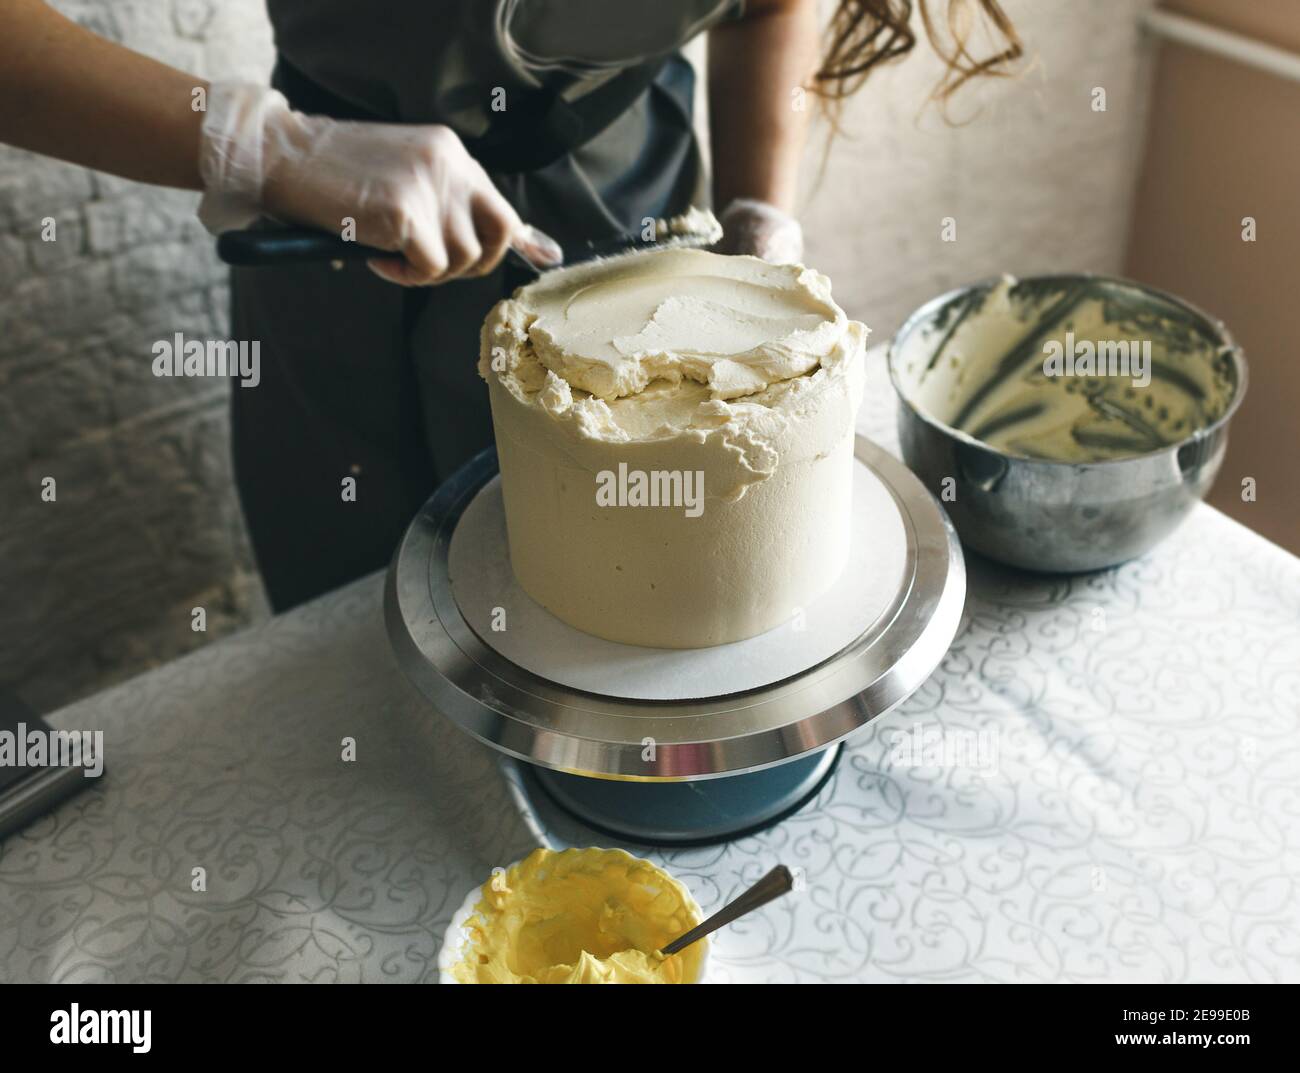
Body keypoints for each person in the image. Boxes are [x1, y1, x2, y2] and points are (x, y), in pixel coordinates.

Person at [1, 0, 1020, 611]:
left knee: (633, 616)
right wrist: (271, 150)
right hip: (338, 236)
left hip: (636, 220)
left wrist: (761, 212)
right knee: (353, 627)